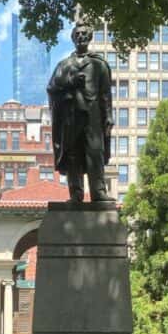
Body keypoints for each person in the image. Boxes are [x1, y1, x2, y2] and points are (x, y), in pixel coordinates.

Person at [47, 16, 114, 204]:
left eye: (84, 34)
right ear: (73, 38)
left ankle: (98, 192)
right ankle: (75, 194)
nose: (81, 37)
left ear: (90, 37)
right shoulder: (65, 65)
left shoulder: (99, 64)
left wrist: (108, 116)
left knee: (95, 152)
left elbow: (105, 94)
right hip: (71, 115)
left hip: (93, 115)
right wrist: (70, 82)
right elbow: (52, 88)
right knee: (73, 154)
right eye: (77, 34)